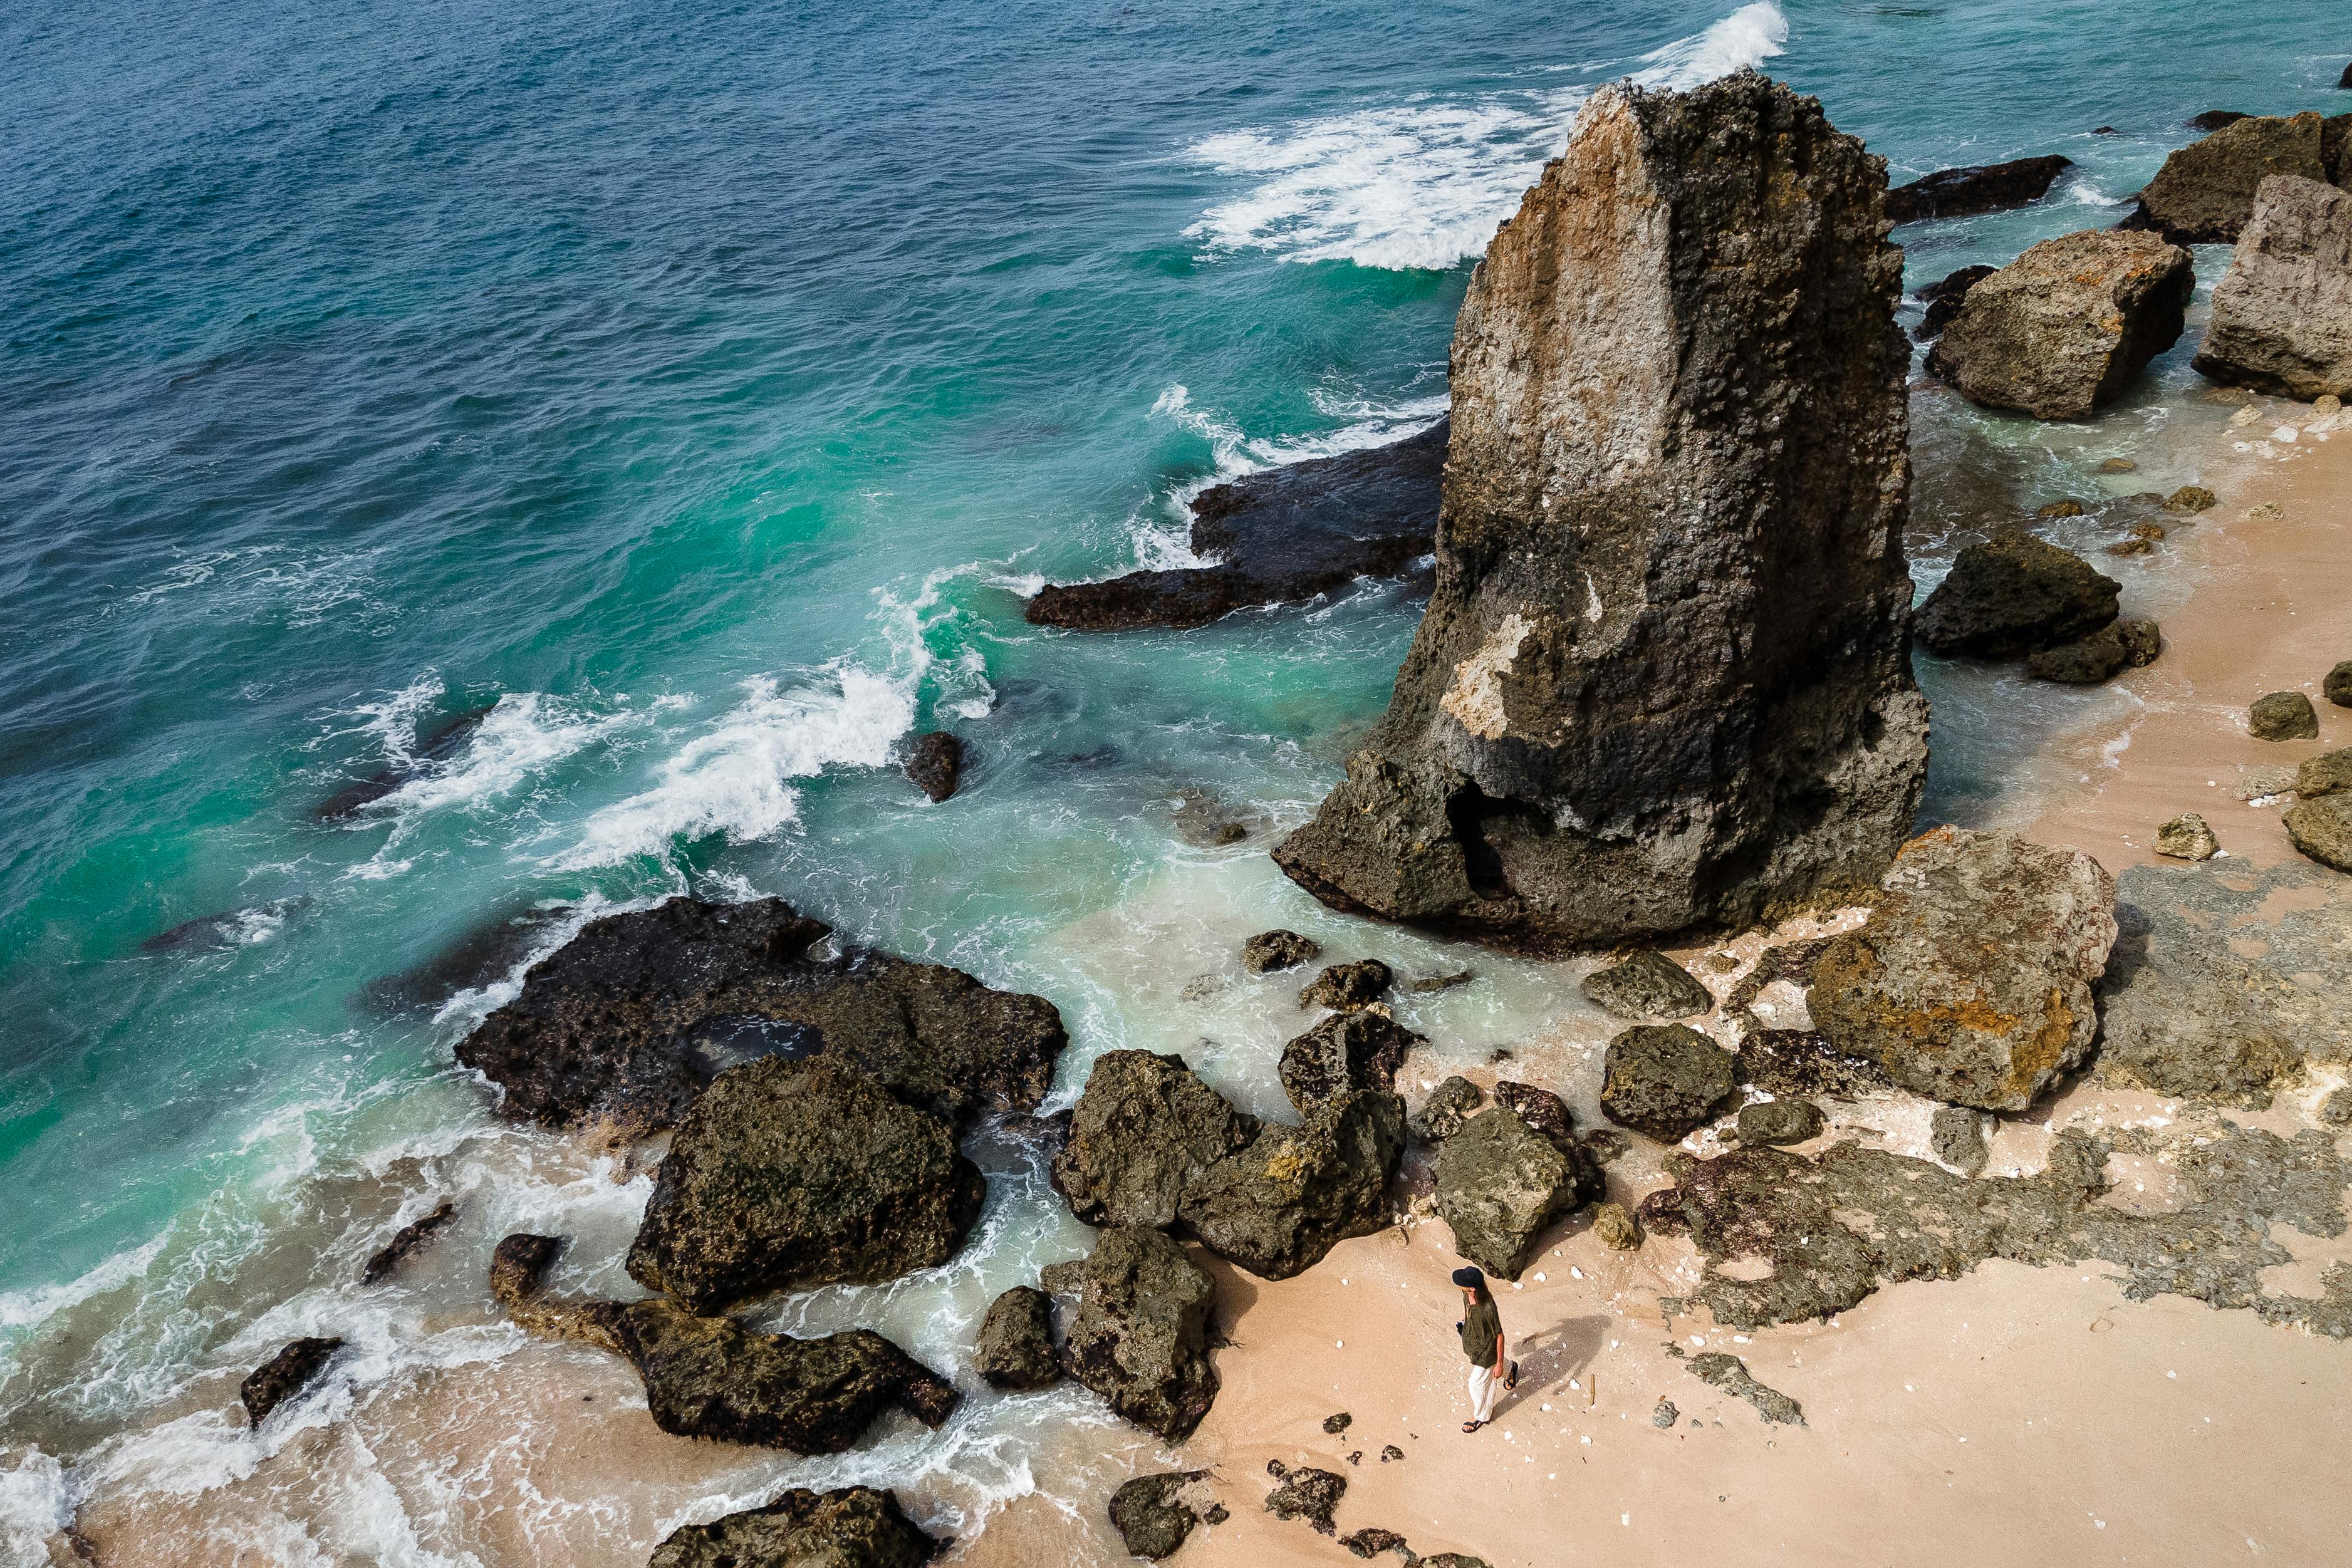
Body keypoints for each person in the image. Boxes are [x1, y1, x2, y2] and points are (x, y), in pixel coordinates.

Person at [1452, 1265, 1516, 1432]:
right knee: (1488, 1373)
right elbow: (1469, 1310)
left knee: (1476, 1384)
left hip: (1486, 1352)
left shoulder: (1488, 1307)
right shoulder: (1467, 1294)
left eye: (1463, 1285)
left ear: (1473, 1288)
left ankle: (1482, 1415)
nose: (1460, 1287)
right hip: (1474, 1343)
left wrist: (1499, 1364)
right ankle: (1512, 1369)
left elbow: (1500, 1335)